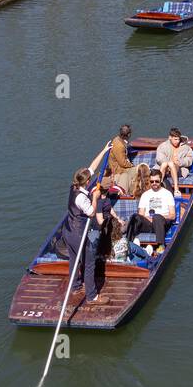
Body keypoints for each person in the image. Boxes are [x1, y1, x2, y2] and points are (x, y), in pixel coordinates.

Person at [53, 167, 106, 303]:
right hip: (78, 234)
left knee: (74, 259)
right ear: (88, 181)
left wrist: (105, 150)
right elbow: (92, 213)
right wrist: (95, 197)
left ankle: (75, 286)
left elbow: (91, 168)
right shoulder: (82, 198)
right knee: (89, 263)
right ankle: (92, 296)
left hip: (67, 231)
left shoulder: (74, 187)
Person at [127, 168, 176, 248]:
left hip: (162, 223)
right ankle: (128, 244)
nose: (154, 183)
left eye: (156, 181)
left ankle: (161, 247)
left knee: (157, 217)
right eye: (152, 181)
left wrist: (158, 217)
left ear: (161, 180)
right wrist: (149, 218)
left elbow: (172, 215)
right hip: (148, 223)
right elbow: (141, 214)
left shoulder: (167, 194)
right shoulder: (145, 195)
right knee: (135, 217)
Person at [108, 124, 135, 193]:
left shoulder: (117, 139)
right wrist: (132, 166)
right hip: (118, 170)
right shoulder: (119, 146)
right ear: (128, 135)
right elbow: (123, 163)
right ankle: (133, 189)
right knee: (138, 171)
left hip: (119, 166)